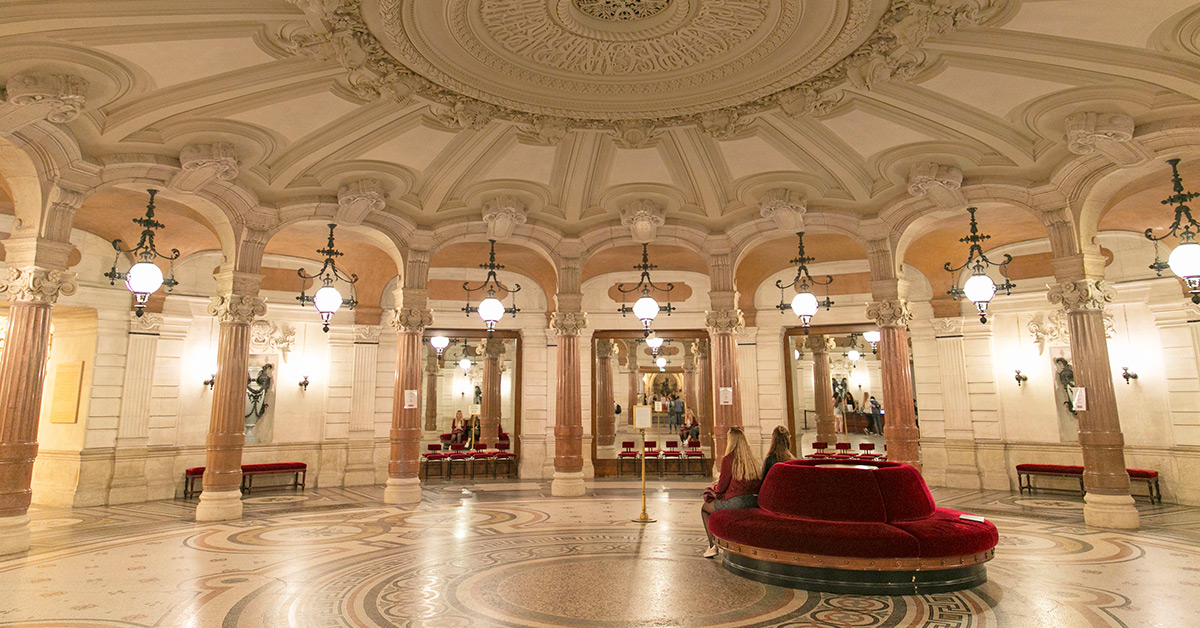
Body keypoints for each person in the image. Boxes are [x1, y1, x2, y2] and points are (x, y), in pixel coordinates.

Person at [700, 427, 762, 558]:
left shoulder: (729, 459)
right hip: (753, 500)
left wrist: (714, 487)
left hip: (736, 501)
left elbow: (722, 487)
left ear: (731, 441)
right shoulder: (752, 459)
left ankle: (712, 546)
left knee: (705, 508)